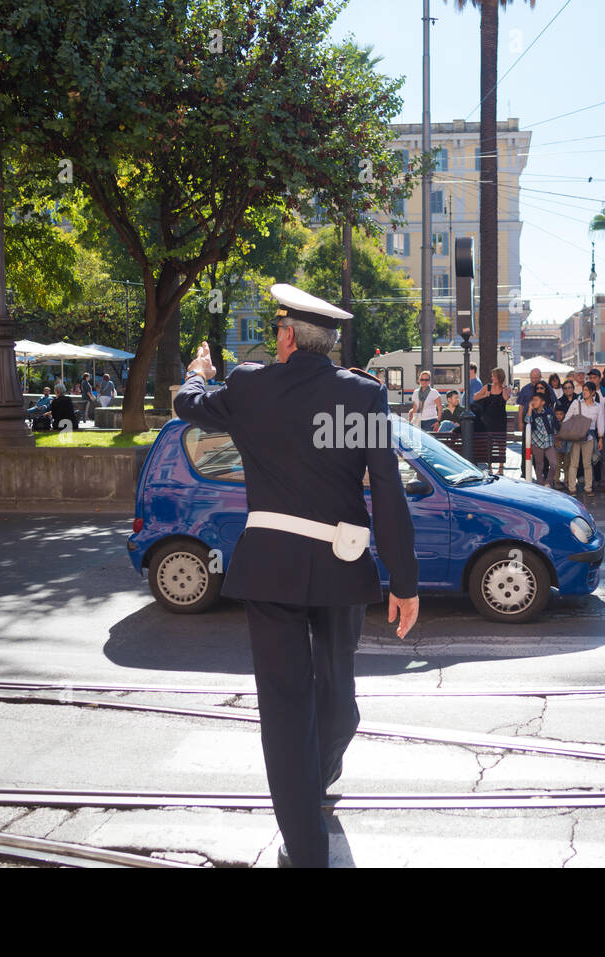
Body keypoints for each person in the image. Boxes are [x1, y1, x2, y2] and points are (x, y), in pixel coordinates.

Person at [173, 283, 418, 869]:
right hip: (341, 564)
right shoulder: (363, 396)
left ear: (286, 336)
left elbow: (189, 406)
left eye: (277, 331)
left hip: (272, 567)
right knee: (338, 694)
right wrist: (404, 582)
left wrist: (198, 371)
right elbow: (387, 488)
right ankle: (324, 767)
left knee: (285, 709)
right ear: (327, 344)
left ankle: (304, 847)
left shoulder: (251, 385)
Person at [561, 381, 605, 496]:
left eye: (586, 390)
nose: (584, 392)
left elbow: (600, 423)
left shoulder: (598, 407)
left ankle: (588, 488)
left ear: (593, 392)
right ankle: (572, 488)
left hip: (590, 437)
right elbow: (566, 419)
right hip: (575, 436)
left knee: (587, 463)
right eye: (583, 390)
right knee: (574, 463)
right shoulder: (576, 403)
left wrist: (600, 438)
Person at [470, 367, 511, 473]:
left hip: (500, 420)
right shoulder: (487, 387)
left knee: (501, 443)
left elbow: (506, 398)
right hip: (487, 419)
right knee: (489, 443)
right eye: (492, 376)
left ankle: (501, 468)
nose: (492, 378)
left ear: (499, 377)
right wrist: (484, 395)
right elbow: (474, 398)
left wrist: (503, 387)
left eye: (494, 376)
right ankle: (490, 467)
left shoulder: (505, 388)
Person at [526, 391, 559, 487]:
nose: (534, 402)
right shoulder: (532, 413)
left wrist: (556, 439)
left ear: (543, 402)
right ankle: (540, 483)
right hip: (537, 443)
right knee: (539, 465)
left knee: (554, 464)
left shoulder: (549, 413)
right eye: (533, 400)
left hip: (549, 442)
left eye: (536, 400)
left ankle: (548, 481)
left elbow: (554, 426)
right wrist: (529, 408)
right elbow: (527, 421)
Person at [516, 367, 542, 432]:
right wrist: (520, 423)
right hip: (527, 422)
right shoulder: (525, 389)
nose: (533, 380)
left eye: (536, 378)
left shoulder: (547, 388)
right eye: (532, 378)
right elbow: (521, 407)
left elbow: (552, 405)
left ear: (540, 377)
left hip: (542, 423)